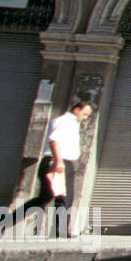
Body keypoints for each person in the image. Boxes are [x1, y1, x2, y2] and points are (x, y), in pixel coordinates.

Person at [40, 101, 92, 238]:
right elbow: (53, 140)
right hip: (58, 163)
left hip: (63, 162)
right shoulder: (64, 122)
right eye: (85, 114)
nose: (85, 118)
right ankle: (61, 230)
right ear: (76, 110)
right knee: (64, 198)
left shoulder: (73, 124)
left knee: (48, 198)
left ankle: (60, 230)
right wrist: (58, 161)